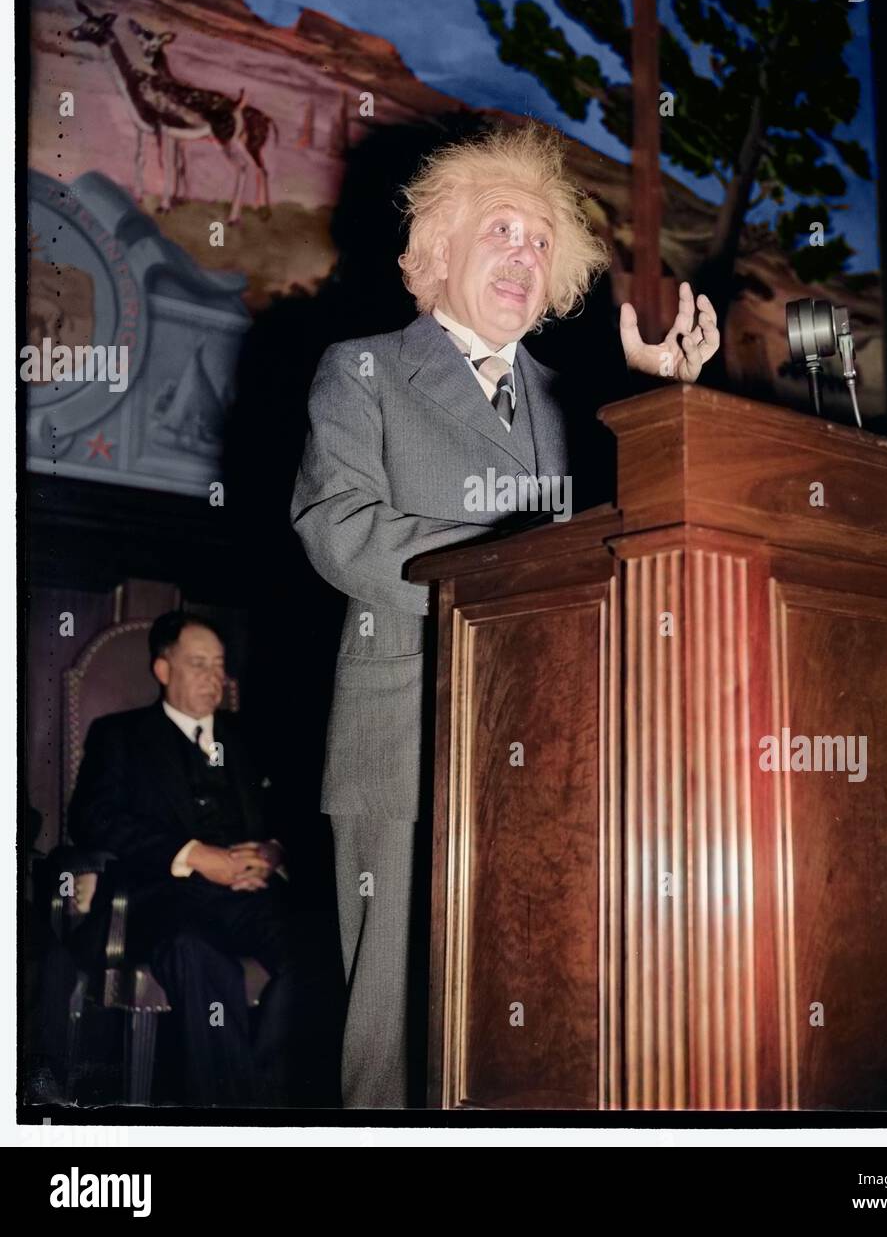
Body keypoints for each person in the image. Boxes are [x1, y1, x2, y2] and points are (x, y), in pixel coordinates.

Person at [291, 121, 720, 1107]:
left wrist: (662, 403)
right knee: (390, 1033)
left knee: (524, 1006)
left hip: (546, 754)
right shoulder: (359, 370)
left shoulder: (577, 404)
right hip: (403, 744)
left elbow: (628, 533)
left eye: (539, 240)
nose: (523, 254)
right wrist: (497, 582)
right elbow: (336, 525)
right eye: (499, 231)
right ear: (438, 252)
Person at [68, 612, 328, 1107]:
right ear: (164, 670)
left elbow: (292, 813)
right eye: (199, 664)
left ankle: (267, 1101)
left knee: (315, 949)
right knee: (198, 956)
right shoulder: (120, 736)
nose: (215, 677)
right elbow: (94, 819)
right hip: (166, 899)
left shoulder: (247, 736)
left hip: (251, 895)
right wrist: (193, 854)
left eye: (220, 665)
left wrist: (273, 852)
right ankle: (230, 1112)